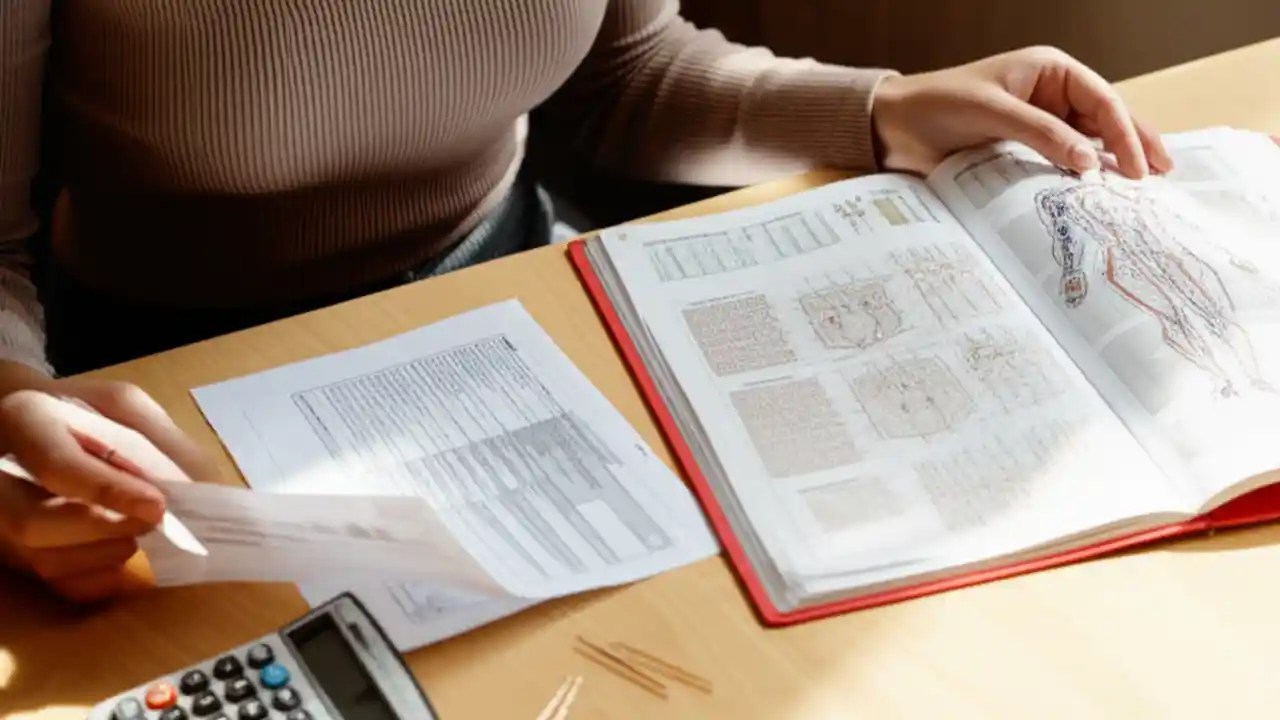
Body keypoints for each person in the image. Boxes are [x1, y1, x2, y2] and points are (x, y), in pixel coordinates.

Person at [0, 0, 1173, 602]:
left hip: (522, 303)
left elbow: (626, 75)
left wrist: (882, 108)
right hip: (162, 396)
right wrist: (10, 408)